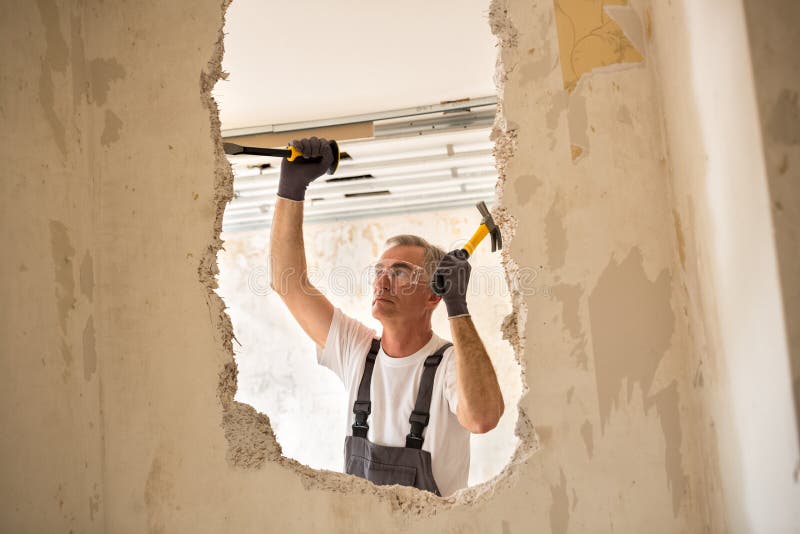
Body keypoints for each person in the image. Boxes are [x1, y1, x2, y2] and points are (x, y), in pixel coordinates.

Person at [269, 136, 504, 497]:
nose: (382, 279)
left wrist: (458, 306)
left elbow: (483, 417)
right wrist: (291, 188)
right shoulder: (358, 351)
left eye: (399, 272)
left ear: (432, 295)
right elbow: (290, 284)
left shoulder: (449, 365)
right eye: (379, 270)